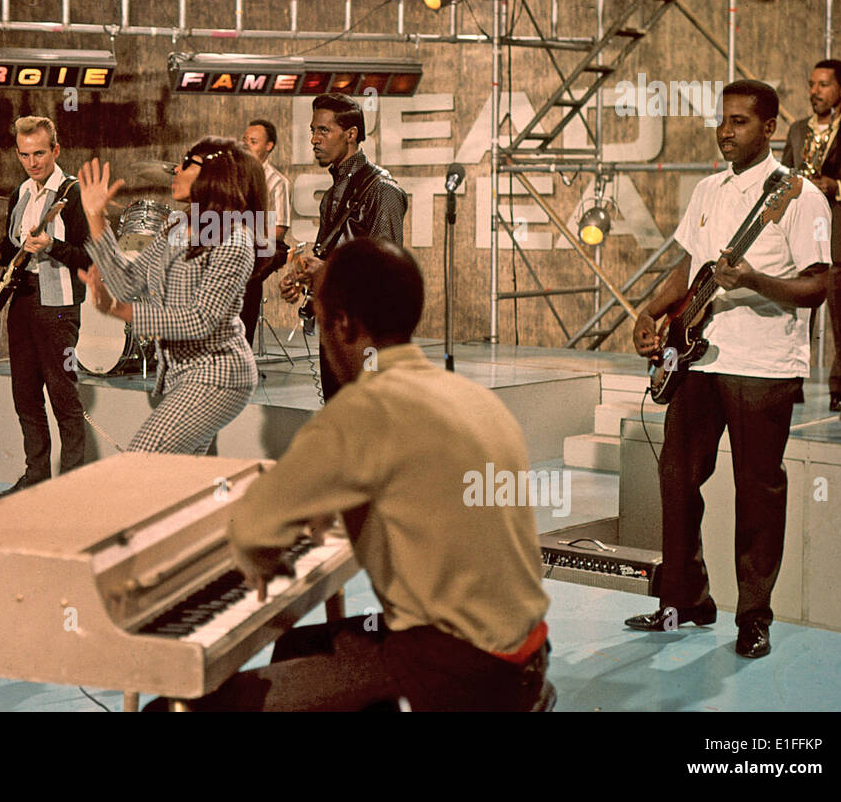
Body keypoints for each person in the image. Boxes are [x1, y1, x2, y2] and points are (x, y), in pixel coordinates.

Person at [153, 239, 550, 711]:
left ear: (343, 324)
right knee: (300, 647)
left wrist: (262, 560)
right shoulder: (473, 398)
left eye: (320, 325)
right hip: (526, 656)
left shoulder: (362, 410)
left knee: (176, 708)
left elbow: (252, 531)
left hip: (457, 672)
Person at [628, 81, 830, 659]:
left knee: (758, 491)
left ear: (769, 128)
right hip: (700, 359)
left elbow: (819, 283)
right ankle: (684, 598)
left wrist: (754, 282)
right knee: (676, 477)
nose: (725, 131)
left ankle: (754, 616)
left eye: (740, 122)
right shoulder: (708, 189)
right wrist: (652, 310)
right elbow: (690, 265)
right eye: (723, 121)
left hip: (764, 367)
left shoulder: (799, 197)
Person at [78, 138, 263, 456]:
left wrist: (122, 311)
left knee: (141, 462)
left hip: (217, 376)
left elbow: (200, 319)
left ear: (215, 175)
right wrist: (95, 218)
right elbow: (128, 282)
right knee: (177, 480)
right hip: (182, 376)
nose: (176, 169)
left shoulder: (235, 238)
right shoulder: (177, 225)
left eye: (188, 162)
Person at [0, 116, 90, 498]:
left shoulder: (72, 193)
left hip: (58, 305)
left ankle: (73, 483)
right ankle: (36, 476)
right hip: (22, 299)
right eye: (25, 155)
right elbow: (13, 243)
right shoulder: (20, 193)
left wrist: (53, 247)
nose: (33, 162)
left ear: (56, 150)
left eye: (40, 153)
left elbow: (90, 257)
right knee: (25, 393)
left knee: (63, 394)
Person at [278, 93, 407, 400]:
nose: (314, 139)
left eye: (323, 130)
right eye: (313, 130)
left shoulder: (382, 191)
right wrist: (304, 277)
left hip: (367, 330)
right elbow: (336, 257)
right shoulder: (333, 195)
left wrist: (330, 272)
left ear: (350, 135)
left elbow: (385, 274)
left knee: (368, 415)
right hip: (335, 323)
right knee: (338, 411)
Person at [780, 59, 841, 410]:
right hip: (801, 237)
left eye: (823, 85)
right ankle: (792, 382)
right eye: (811, 84)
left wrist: (835, 186)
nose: (814, 92)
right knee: (796, 314)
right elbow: (785, 175)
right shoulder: (797, 130)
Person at [238, 119, 290, 347]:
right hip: (235, 241)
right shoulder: (231, 176)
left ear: (268, 146)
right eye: (245, 140)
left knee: (249, 272)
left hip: (266, 244)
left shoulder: (277, 182)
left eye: (253, 141)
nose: (246, 144)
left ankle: (242, 346)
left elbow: (279, 229)